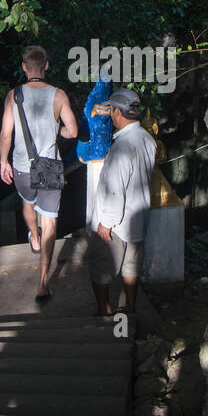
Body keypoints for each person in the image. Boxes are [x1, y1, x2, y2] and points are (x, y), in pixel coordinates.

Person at [0, 45, 77, 301]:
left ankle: (33, 236)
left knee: (27, 204)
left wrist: (3, 161)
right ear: (46, 66)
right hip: (49, 166)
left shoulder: (13, 95)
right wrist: (59, 134)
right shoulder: (59, 95)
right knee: (50, 222)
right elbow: (73, 131)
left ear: (24, 67)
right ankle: (43, 281)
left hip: (22, 165)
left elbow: (5, 134)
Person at [88, 88, 156, 322]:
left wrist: (105, 223)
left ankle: (104, 311)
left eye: (112, 110)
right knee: (131, 267)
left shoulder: (121, 148)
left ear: (117, 112)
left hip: (116, 224)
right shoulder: (147, 139)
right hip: (139, 218)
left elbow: (115, 191)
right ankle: (130, 309)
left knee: (101, 267)